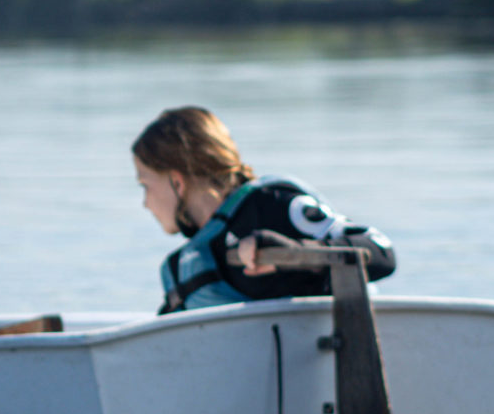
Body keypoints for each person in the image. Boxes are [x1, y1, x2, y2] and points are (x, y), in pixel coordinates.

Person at [130, 105, 395, 315]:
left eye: (145, 186)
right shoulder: (185, 265)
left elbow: (381, 252)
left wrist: (300, 254)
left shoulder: (272, 207)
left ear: (177, 182)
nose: (145, 203)